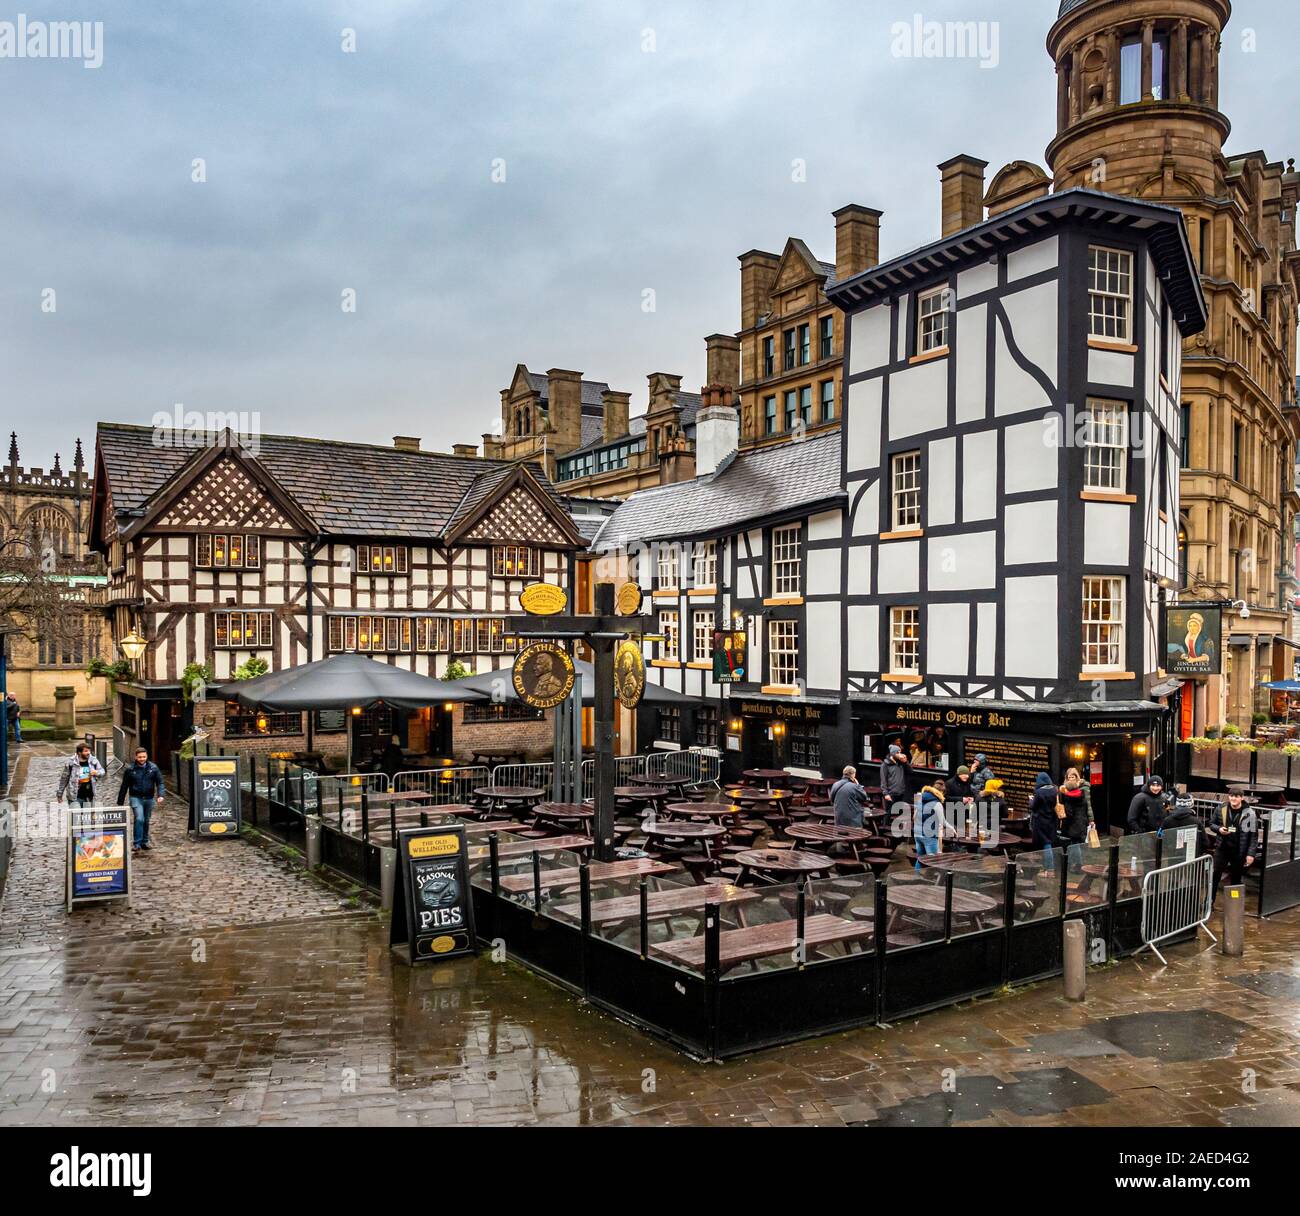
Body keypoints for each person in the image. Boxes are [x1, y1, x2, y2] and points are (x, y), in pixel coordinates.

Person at [1207, 789, 1258, 901]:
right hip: (1222, 849)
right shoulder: (1221, 809)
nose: (1233, 798)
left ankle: (1234, 905)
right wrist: (1219, 829)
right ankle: (1209, 902)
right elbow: (1211, 824)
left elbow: (1253, 836)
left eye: (1237, 796)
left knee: (1236, 879)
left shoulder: (1249, 813)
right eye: (1231, 796)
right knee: (1215, 875)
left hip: (1239, 851)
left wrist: (1250, 854)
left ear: (1242, 798)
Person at [117, 746, 165, 854]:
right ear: (136, 757)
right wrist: (120, 802)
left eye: (144, 757)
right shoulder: (130, 770)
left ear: (146, 756)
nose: (142, 759)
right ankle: (137, 843)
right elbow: (124, 786)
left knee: (146, 820)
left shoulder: (153, 768)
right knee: (139, 819)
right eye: (140, 757)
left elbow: (160, 782)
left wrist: (160, 794)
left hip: (149, 798)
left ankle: (145, 841)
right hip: (136, 797)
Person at [913, 776, 948, 869]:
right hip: (930, 836)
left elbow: (914, 817)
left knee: (920, 859)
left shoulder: (919, 797)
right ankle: (932, 881)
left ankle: (917, 878)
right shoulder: (937, 803)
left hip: (917, 834)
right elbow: (942, 823)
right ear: (941, 792)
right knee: (933, 862)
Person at [57, 742, 105, 807]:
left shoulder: (93, 760)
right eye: (86, 751)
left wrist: (96, 772)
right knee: (76, 816)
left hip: (89, 796)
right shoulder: (71, 762)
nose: (88, 753)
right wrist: (60, 794)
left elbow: (102, 771)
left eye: (89, 751)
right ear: (79, 753)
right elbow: (64, 779)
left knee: (86, 817)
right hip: (75, 797)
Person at [1057, 767, 1095, 846]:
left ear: (1077, 777)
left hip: (1079, 821)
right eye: (1069, 777)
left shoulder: (1083, 788)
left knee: (1077, 844)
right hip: (1073, 824)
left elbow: (1088, 805)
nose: (1071, 779)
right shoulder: (1064, 789)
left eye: (1072, 777)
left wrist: (1091, 820)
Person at [1028, 771, 1061, 850]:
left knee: (1045, 842)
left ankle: (1048, 862)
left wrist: (1030, 800)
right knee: (1048, 841)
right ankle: (1048, 861)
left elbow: (1033, 806)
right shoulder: (1055, 790)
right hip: (1051, 820)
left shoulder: (1039, 792)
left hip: (1040, 821)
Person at [830, 765, 870, 829]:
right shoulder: (854, 786)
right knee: (855, 836)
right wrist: (858, 785)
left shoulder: (835, 784)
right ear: (853, 775)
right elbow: (864, 797)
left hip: (839, 817)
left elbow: (832, 799)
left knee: (841, 835)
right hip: (853, 819)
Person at [880, 743, 912, 809]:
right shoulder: (885, 765)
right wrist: (886, 794)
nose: (899, 754)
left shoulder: (901, 763)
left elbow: (910, 771)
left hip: (901, 793)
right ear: (893, 753)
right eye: (897, 753)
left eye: (900, 752)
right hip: (891, 794)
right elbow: (883, 780)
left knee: (899, 815)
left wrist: (906, 762)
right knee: (888, 815)